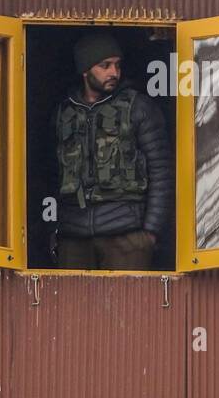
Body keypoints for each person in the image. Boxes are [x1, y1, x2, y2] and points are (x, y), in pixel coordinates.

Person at [51, 32, 172, 270]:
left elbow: (162, 172)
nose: (113, 73)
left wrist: (149, 234)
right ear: (85, 70)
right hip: (73, 237)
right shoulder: (63, 113)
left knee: (130, 307)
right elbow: (46, 173)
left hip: (126, 236)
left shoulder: (138, 108)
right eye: (104, 66)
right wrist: (52, 229)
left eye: (117, 65)